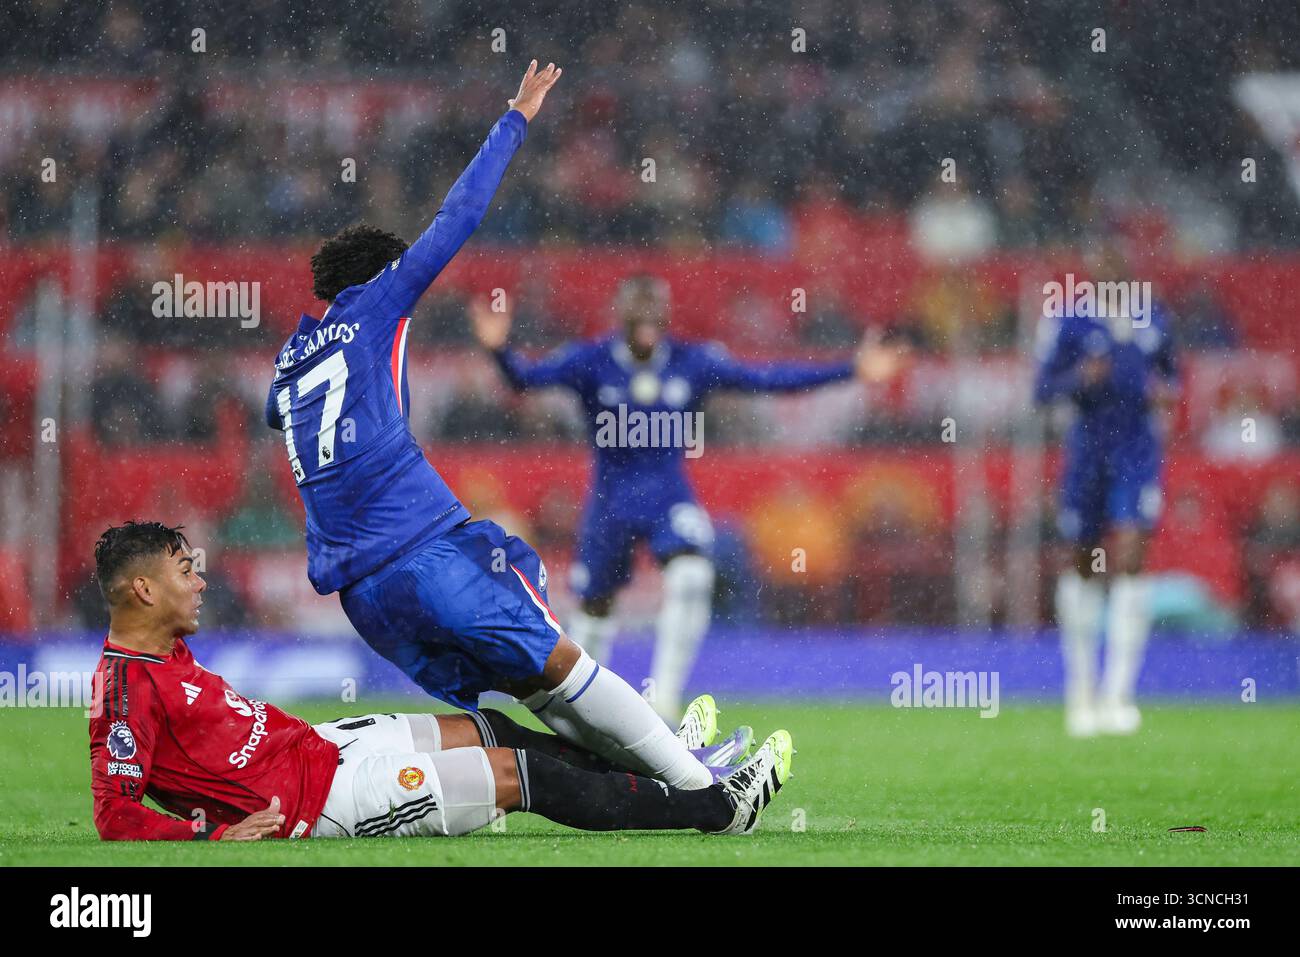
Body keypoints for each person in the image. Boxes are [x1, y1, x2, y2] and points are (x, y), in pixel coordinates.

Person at [267, 61, 743, 790]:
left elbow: (280, 414)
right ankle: (707, 788)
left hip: (363, 598)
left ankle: (651, 777)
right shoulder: (380, 299)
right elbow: (459, 215)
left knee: (531, 686)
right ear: (378, 274)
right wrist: (515, 116)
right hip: (423, 549)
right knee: (559, 659)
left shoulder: (288, 363)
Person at [88, 521, 792, 841]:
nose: (201, 580)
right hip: (321, 801)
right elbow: (115, 814)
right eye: (186, 571)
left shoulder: (161, 651)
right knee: (518, 775)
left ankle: (676, 764)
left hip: (324, 745)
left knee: (497, 726)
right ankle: (712, 809)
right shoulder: (123, 690)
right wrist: (211, 839)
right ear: (144, 590)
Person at [472, 275, 905, 718]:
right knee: (593, 610)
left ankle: (663, 698)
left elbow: (770, 380)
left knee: (692, 576)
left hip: (667, 495)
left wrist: (850, 369)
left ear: (666, 312)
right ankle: (588, 710)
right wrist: (499, 350)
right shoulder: (591, 360)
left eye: (654, 306)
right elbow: (524, 380)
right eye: (636, 307)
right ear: (619, 313)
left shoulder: (690, 362)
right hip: (610, 502)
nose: (646, 316)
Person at [1034, 244, 1179, 736]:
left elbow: (1172, 377)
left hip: (1137, 453)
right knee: (1083, 563)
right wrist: (1080, 378)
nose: (1111, 271)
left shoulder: (1152, 318)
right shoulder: (1070, 322)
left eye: (1118, 264)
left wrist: (1164, 393)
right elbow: (1041, 391)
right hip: (1088, 453)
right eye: (1102, 265)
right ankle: (1081, 689)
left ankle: (1119, 693)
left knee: (1133, 555)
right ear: (1091, 272)